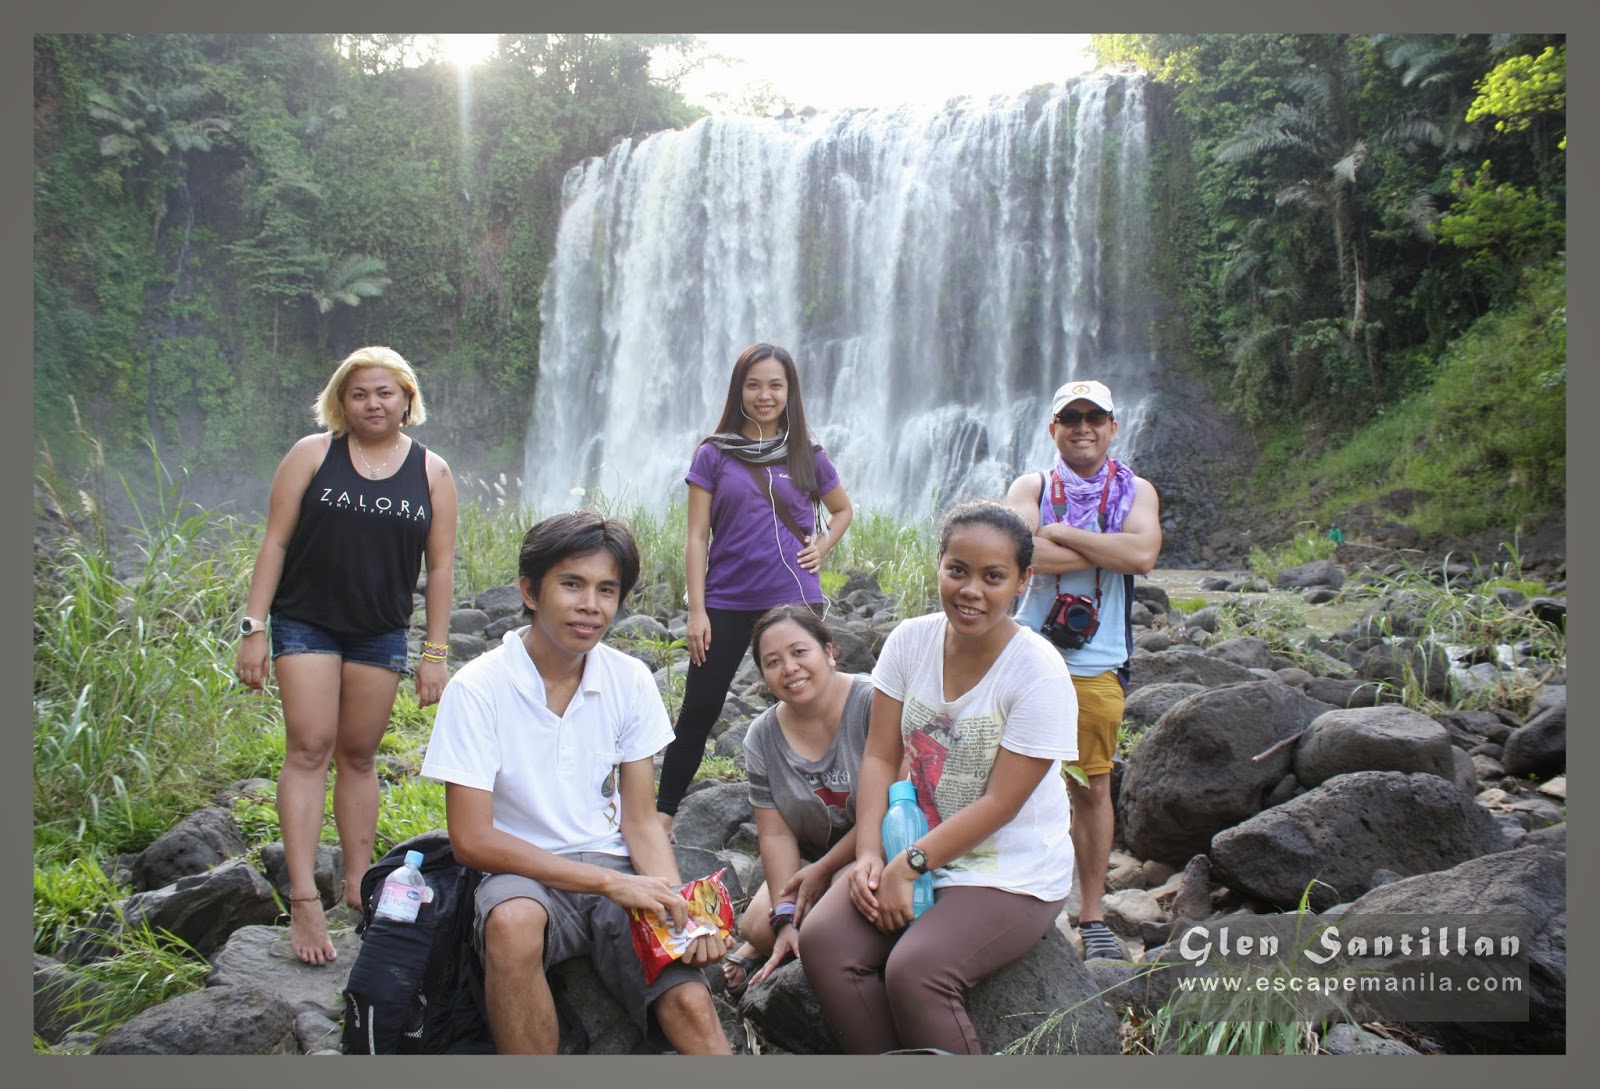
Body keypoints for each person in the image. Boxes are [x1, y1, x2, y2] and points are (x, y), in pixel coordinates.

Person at [421, 511, 732, 1055]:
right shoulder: (478, 688)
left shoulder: (629, 679)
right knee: (514, 922)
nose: (591, 605)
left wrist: (685, 913)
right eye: (572, 584)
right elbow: (472, 840)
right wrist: (610, 884)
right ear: (530, 591)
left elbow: (640, 818)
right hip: (521, 869)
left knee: (687, 997)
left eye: (607, 590)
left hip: (612, 866)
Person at [799, 500, 1080, 1054]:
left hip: (1008, 869)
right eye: (958, 570)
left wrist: (910, 864)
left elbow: (1001, 803)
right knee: (824, 942)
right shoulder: (911, 641)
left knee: (916, 971)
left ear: (1024, 582)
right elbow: (880, 756)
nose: (971, 590)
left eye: (993, 577)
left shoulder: (1039, 673)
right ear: (939, 565)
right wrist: (870, 854)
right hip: (910, 843)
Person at [235, 345, 458, 966]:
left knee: (359, 757)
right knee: (310, 747)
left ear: (407, 398)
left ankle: (360, 887)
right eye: (359, 393)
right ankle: (305, 899)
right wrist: (255, 627)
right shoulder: (313, 454)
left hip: (380, 631)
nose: (372, 403)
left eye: (385, 392)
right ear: (342, 400)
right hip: (307, 621)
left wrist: (433, 651)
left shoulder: (433, 472)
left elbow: (439, 568)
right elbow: (275, 543)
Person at [655, 342, 853, 834]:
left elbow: (843, 509)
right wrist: (696, 609)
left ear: (790, 392)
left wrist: (821, 547)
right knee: (699, 709)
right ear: (739, 389)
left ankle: (832, 812)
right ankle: (661, 816)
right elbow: (697, 536)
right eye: (754, 384)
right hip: (725, 599)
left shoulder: (807, 452)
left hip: (793, 597)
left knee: (809, 703)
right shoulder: (714, 453)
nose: (765, 395)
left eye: (775, 385)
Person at [1004, 379, 1161, 962]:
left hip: (1097, 664)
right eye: (1071, 417)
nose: (1083, 426)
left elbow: (1143, 556)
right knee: (1011, 783)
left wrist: (1064, 532)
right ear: (1053, 429)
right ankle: (1017, 898)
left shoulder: (1136, 490)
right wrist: (1106, 546)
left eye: (1095, 416)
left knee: (1091, 784)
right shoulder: (1033, 486)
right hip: (1026, 654)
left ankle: (1092, 913)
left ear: (1113, 426)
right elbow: (1017, 553)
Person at [720, 605, 872, 1000]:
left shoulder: (873, 703)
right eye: (773, 662)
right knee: (757, 924)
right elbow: (774, 835)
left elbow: (891, 807)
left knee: (844, 899)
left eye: (799, 652)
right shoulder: (761, 737)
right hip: (809, 861)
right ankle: (780, 941)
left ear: (829, 651)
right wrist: (785, 920)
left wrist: (827, 869)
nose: (789, 668)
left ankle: (814, 938)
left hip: (875, 848)